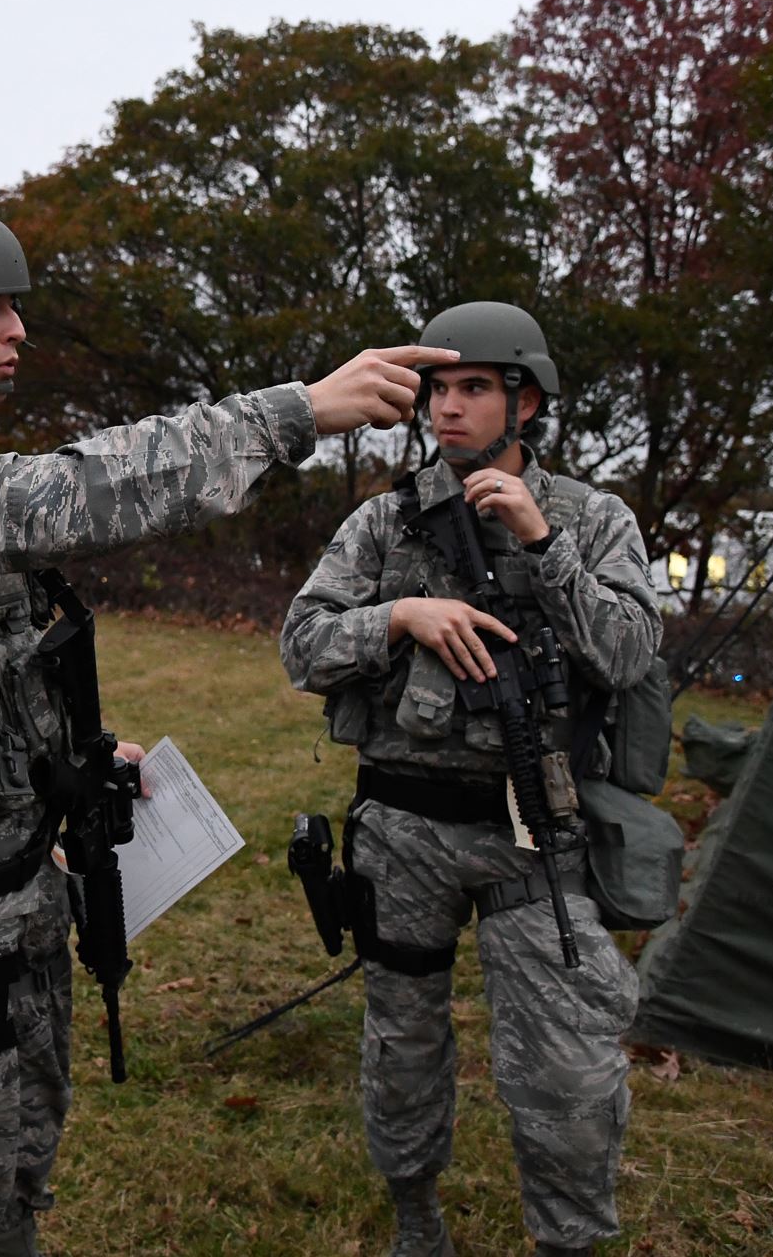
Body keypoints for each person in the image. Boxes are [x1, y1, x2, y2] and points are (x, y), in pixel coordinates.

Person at [0, 200, 456, 1256]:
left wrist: (71, 760)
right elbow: (68, 495)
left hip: (20, 906)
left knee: (13, 1189)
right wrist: (292, 411)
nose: (18, 330)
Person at [280, 302, 660, 1257]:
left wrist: (543, 547)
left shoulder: (590, 518)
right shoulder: (385, 520)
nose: (449, 408)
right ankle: (416, 1218)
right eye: (440, 390)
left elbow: (627, 652)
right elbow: (302, 645)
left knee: (568, 1068)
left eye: (475, 389)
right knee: (403, 1048)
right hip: (402, 832)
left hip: (531, 830)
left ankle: (567, 1238)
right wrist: (399, 616)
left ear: (523, 401)